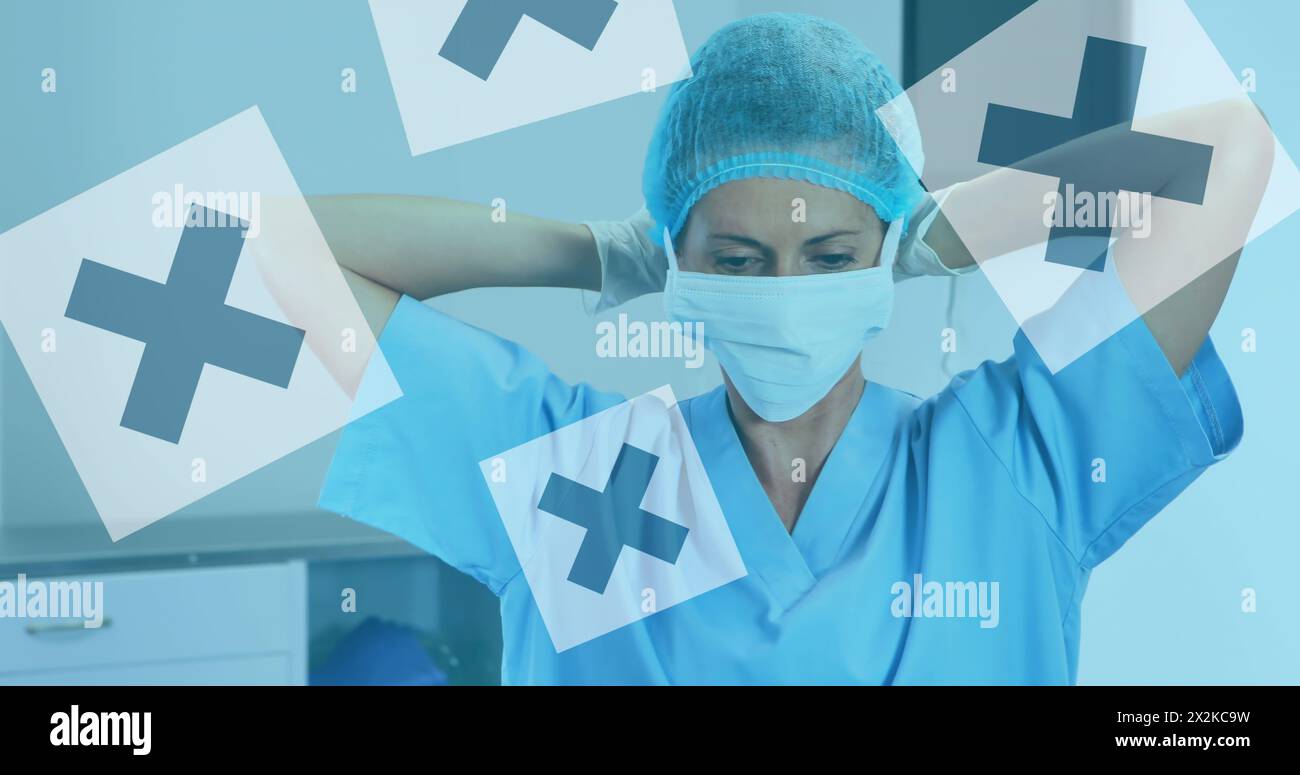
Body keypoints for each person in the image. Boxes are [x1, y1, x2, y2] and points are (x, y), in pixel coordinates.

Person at [261, 14, 1270, 683]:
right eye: (737, 261)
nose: (787, 297)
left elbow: (1228, 152)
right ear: (680, 267)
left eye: (830, 255)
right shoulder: (578, 479)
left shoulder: (1015, 468)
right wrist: (595, 256)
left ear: (885, 258)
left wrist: (941, 230)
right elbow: (279, 248)